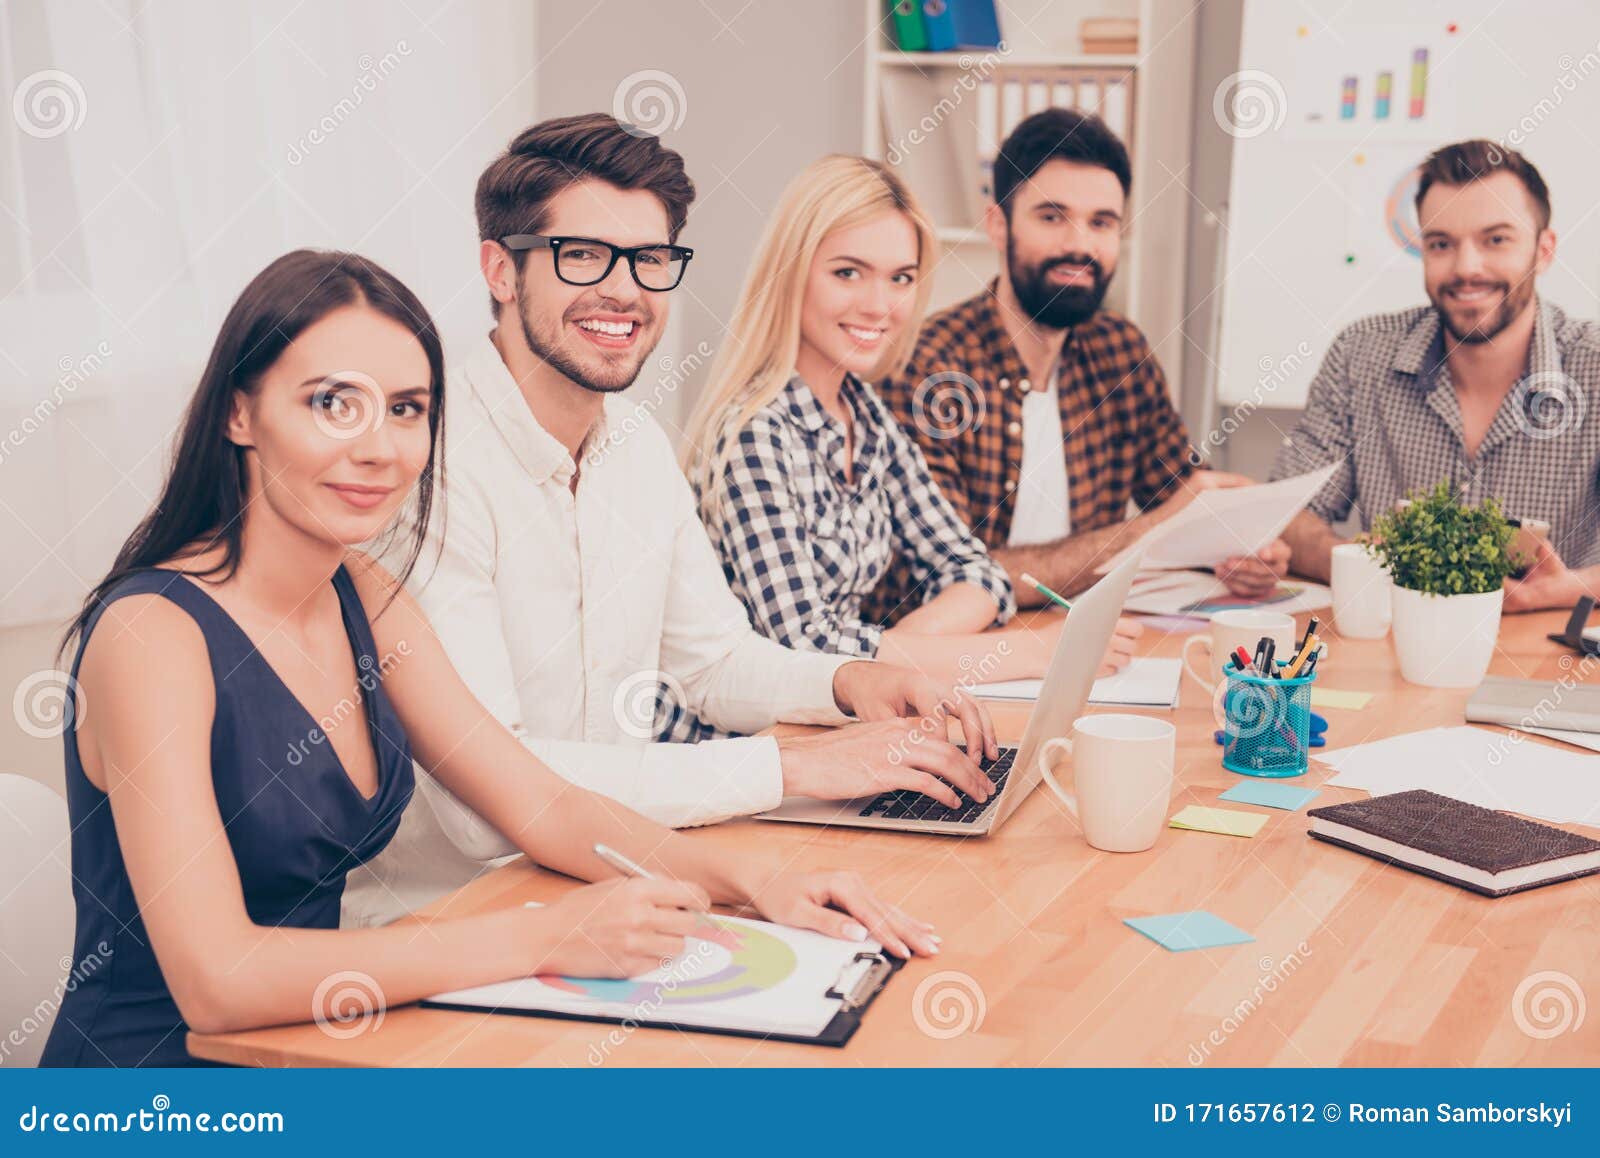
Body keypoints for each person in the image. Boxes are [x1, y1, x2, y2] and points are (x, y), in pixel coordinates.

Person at [39, 250, 941, 1069]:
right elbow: (217, 979)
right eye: (330, 403)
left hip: (331, 1041)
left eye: (407, 410)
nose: (379, 448)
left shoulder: (364, 590)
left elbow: (539, 802)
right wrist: (541, 936)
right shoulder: (153, 634)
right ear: (240, 412)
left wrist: (757, 879)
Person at [342, 116, 998, 930]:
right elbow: (494, 804)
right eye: (582, 255)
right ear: (501, 271)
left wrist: (847, 682)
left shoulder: (637, 445)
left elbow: (712, 662)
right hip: (453, 926)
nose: (624, 291)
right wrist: (791, 765)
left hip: (621, 884)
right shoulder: (429, 465)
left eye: (649, 261)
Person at [681, 154, 1140, 686]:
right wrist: (1033, 653)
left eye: (900, 278)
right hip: (751, 744)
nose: (880, 305)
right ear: (790, 273)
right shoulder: (756, 433)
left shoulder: (865, 413)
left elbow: (978, 573)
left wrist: (908, 659)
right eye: (848, 273)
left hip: (841, 720)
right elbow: (807, 650)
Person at [870, 108, 1290, 620]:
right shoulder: (926, 366)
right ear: (998, 225)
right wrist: (1152, 529)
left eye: (1102, 223)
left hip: (1088, 649)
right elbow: (946, 576)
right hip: (953, 664)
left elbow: (1183, 496)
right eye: (1052, 217)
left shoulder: (1119, 351)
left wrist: (1237, 546)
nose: (1080, 245)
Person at [1272, 139, 1600, 610]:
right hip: (1392, 657)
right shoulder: (1360, 354)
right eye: (1441, 244)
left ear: (1543, 250)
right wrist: (1363, 563)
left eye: (1496, 240)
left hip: (1547, 664)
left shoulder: (1593, 364)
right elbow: (1289, 515)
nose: (1466, 268)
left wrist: (1565, 588)